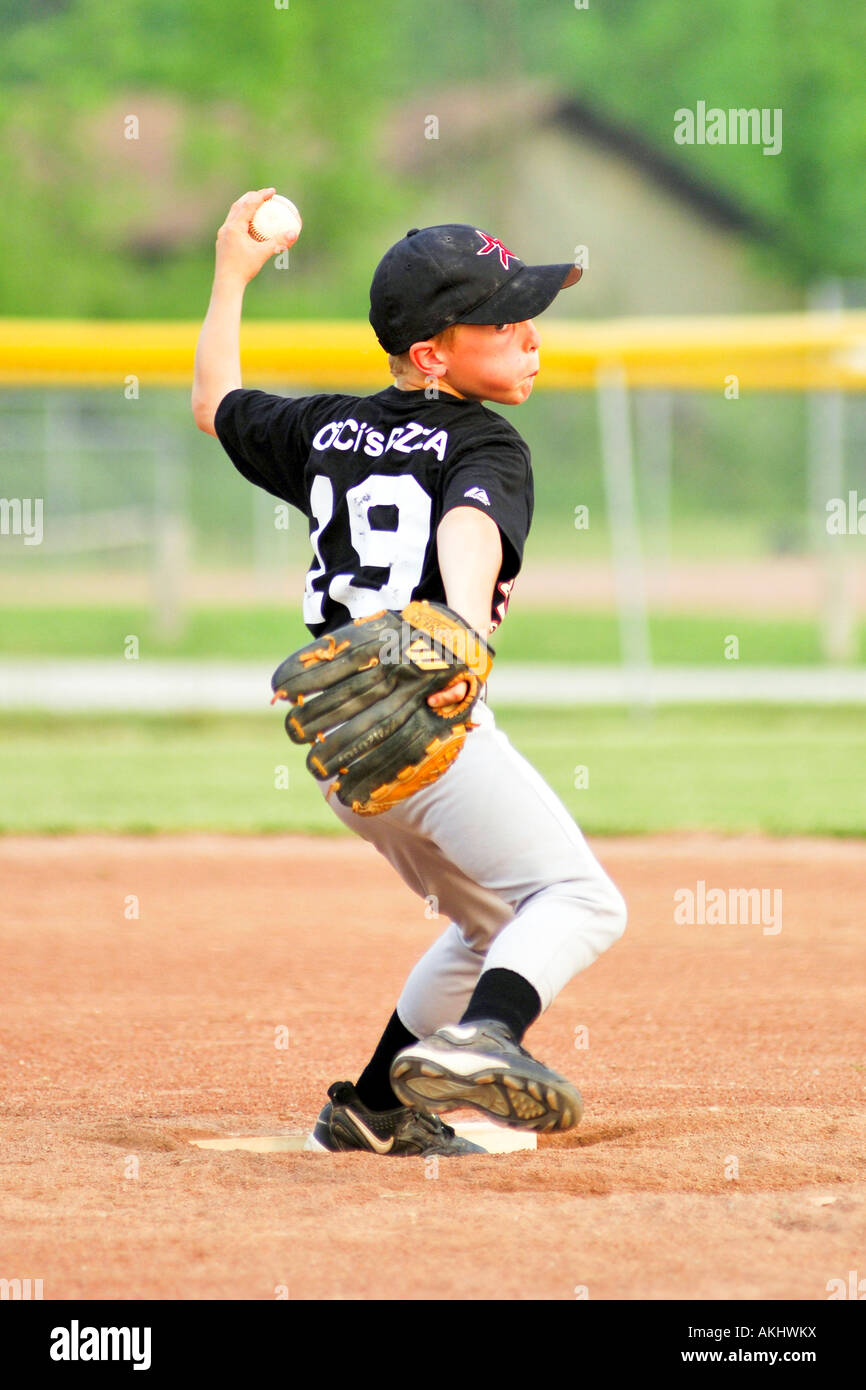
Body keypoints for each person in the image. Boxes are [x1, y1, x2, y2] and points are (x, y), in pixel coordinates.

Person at [192, 189, 627, 1158]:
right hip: (432, 721)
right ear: (431, 354)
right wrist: (463, 633)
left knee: (485, 926)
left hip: (343, 750)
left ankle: (373, 1109)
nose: (529, 335)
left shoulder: (325, 430)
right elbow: (467, 525)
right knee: (580, 900)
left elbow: (211, 404)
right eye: (502, 320)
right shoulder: (483, 441)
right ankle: (491, 1035)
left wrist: (231, 272)